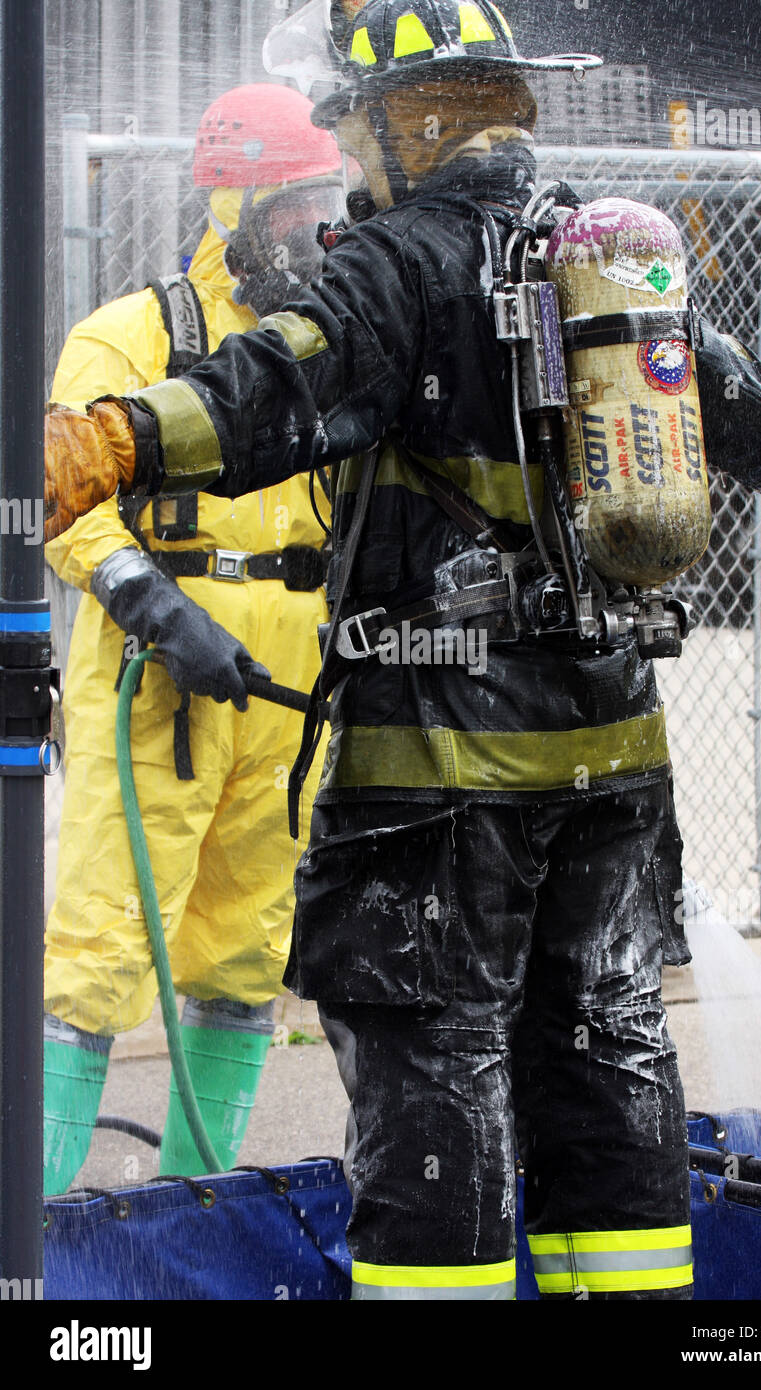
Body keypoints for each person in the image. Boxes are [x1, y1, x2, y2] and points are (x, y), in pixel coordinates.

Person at [44, 0, 761, 1297]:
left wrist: (105, 444)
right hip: (611, 759)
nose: (354, 159)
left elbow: (267, 388)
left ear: (411, 117)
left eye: (360, 129)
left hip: (438, 761)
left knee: (435, 1056)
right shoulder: (606, 257)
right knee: (602, 1044)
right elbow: (743, 404)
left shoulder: (407, 258)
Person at [42, 84, 343, 1194]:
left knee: (245, 955)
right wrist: (159, 612)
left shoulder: (326, 345)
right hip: (156, 688)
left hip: (284, 692)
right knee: (101, 951)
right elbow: (64, 503)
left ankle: (195, 1209)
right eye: (297, 208)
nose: (321, 231)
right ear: (236, 206)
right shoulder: (127, 336)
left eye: (329, 202)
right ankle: (39, 1234)